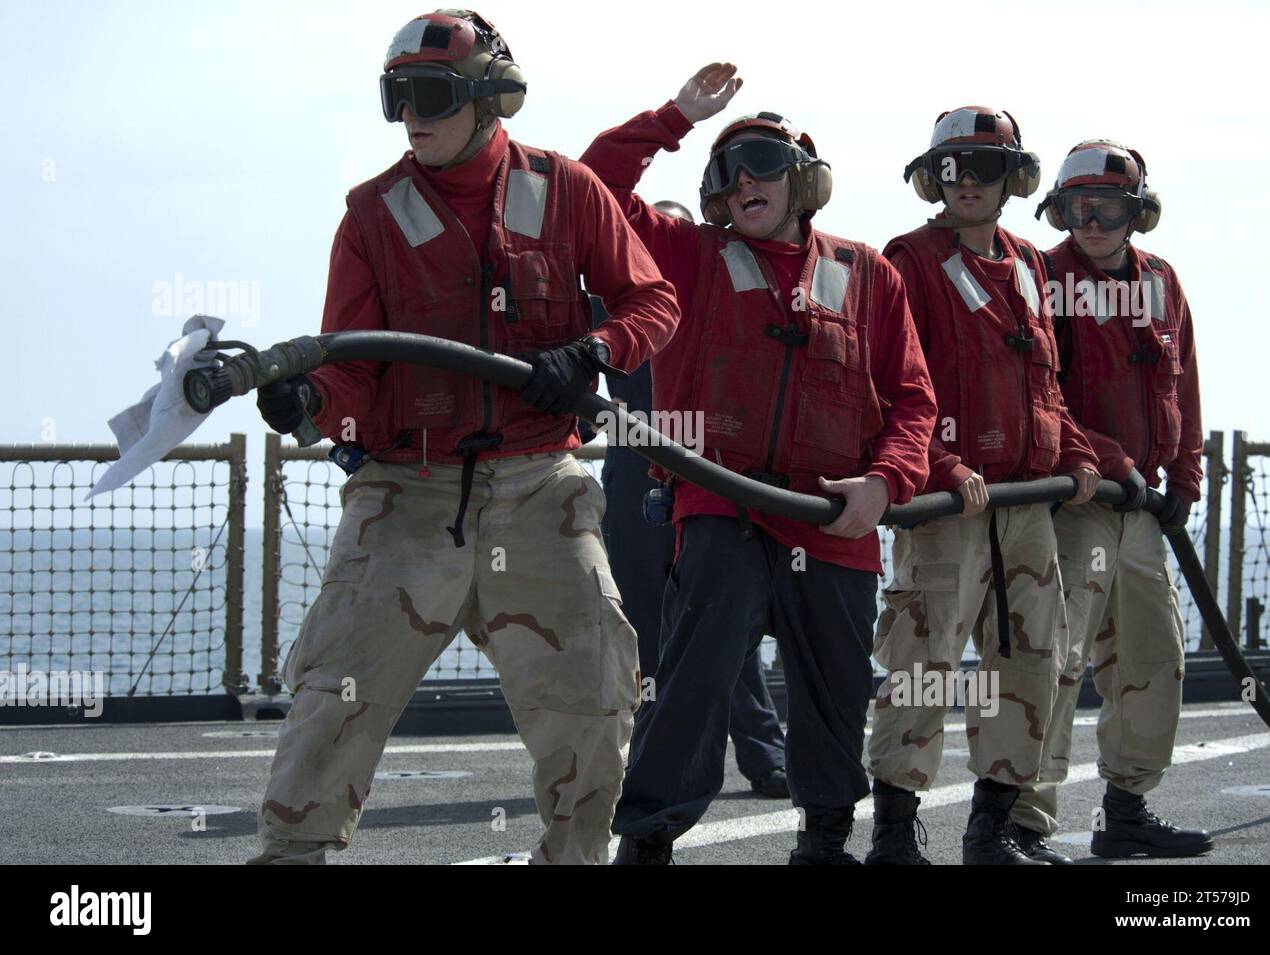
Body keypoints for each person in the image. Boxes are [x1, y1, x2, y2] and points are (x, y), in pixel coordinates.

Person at [248, 9, 679, 865]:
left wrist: (590, 351)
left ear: (491, 98)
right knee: (333, 699)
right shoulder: (370, 217)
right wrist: (307, 398)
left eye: (432, 94)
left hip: (541, 490)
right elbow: (354, 370)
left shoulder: (567, 190)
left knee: (595, 698)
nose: (413, 115)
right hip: (405, 494)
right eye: (397, 97)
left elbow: (652, 303)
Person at [581, 63, 937, 864]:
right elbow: (590, 188)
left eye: (765, 164)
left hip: (835, 519)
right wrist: (673, 117)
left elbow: (913, 399)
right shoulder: (686, 255)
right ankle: (647, 842)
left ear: (804, 180)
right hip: (721, 509)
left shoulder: (869, 273)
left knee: (836, 688)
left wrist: (885, 484)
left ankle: (825, 839)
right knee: (695, 680)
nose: (746, 180)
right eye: (728, 169)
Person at [866, 106, 1101, 865]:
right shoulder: (906, 262)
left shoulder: (1030, 264)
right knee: (923, 666)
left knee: (1033, 658)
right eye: (951, 168)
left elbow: (1047, 383)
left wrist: (1074, 453)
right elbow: (890, 386)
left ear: (1013, 180)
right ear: (932, 179)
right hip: (948, 509)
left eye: (985, 168)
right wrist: (942, 465)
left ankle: (990, 831)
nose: (966, 182)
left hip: (1025, 506)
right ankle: (895, 836)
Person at [1009, 141, 1212, 859]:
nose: (1091, 222)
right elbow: (1040, 391)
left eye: (1108, 207)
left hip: (1142, 511)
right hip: (1075, 499)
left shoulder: (1162, 281)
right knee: (1056, 658)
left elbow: (1180, 383)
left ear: (1138, 213)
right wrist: (1109, 457)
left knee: (1154, 656)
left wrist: (1185, 475)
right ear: (1059, 209)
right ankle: (1026, 822)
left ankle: (1127, 809)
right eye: (1078, 207)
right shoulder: (1039, 277)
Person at [592, 199, 790, 801]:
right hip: (635, 477)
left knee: (721, 623)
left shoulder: (718, 301)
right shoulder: (610, 302)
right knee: (650, 634)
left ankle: (763, 754)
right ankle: (659, 768)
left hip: (707, 475)